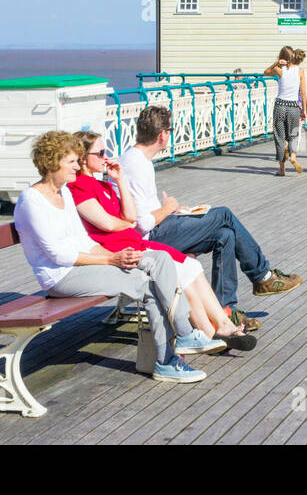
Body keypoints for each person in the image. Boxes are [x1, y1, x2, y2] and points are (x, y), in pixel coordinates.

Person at [13, 131, 220, 384]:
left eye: (78, 160)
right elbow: (59, 255)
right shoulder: (31, 201)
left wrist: (117, 255)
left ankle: (178, 343)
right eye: (72, 162)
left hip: (83, 263)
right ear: (52, 162)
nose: (78, 166)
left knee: (160, 260)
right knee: (146, 284)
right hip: (61, 277)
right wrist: (111, 261)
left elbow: (84, 242)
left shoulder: (63, 193)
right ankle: (169, 357)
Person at [120, 105, 302, 333]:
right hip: (150, 239)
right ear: (162, 135)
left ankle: (226, 310)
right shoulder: (136, 165)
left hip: (160, 228)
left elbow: (145, 210)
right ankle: (262, 275)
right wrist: (169, 207)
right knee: (223, 214)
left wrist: (176, 211)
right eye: (171, 130)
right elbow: (143, 224)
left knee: (224, 235)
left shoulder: (137, 159)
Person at [69, 131, 252, 348]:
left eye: (105, 151)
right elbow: (107, 224)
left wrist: (120, 180)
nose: (106, 157)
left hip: (134, 242)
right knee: (180, 268)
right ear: (82, 158)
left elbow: (130, 216)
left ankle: (220, 325)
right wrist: (127, 225)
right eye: (100, 153)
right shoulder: (78, 187)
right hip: (118, 250)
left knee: (190, 264)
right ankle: (209, 331)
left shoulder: (105, 185)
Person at [265, 45, 304, 175]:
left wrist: (276, 63)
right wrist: (304, 109)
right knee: (293, 135)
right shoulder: (300, 71)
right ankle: (293, 155)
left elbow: (265, 72)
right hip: (293, 107)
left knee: (279, 137)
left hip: (280, 106)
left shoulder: (278, 70)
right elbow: (303, 93)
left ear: (282, 57)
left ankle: (282, 170)